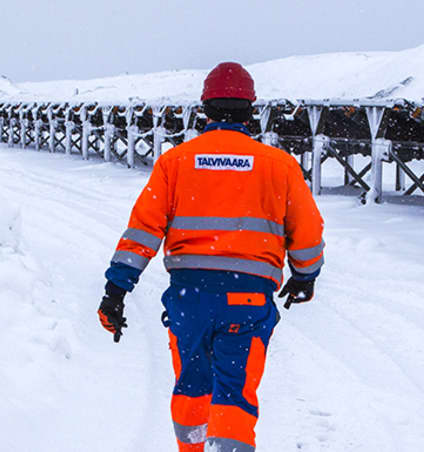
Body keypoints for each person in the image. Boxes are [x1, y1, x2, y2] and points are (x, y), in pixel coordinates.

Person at [97, 61, 326, 452]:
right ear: (251, 111)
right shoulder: (279, 166)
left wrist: (115, 291)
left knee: (192, 387)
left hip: (190, 300)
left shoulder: (176, 162)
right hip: (247, 301)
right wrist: (305, 275)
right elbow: (307, 233)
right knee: (234, 396)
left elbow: (142, 232)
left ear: (205, 109)